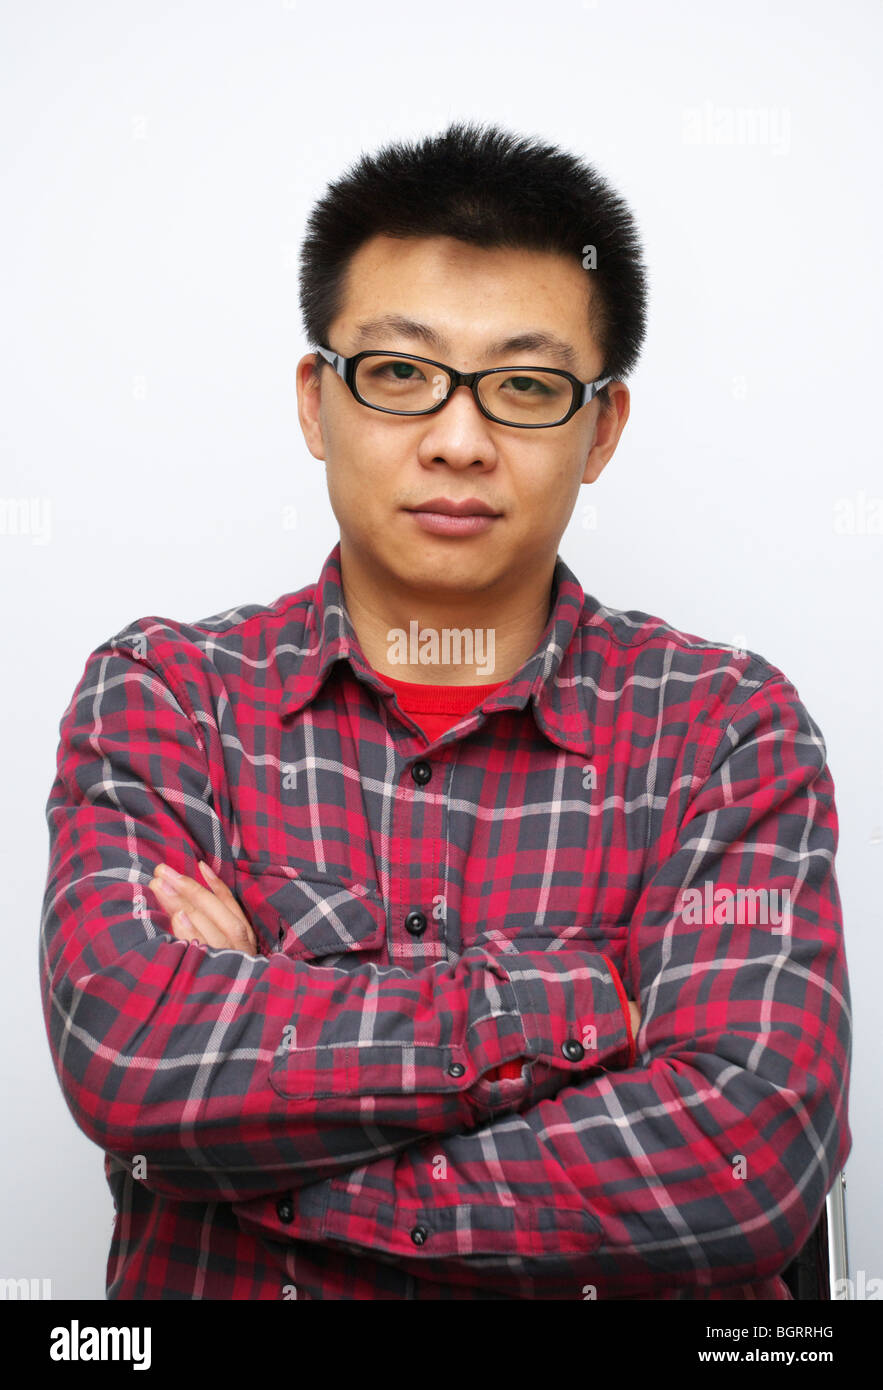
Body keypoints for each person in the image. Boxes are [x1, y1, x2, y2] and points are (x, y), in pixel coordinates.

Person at [40, 120, 851, 1300]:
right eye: (401, 375)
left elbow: (744, 1157)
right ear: (318, 403)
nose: (459, 440)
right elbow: (131, 1056)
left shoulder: (727, 731)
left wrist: (249, 1160)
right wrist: (579, 1008)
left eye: (524, 386)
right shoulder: (169, 696)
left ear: (601, 430)